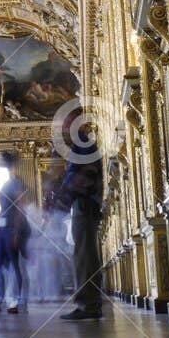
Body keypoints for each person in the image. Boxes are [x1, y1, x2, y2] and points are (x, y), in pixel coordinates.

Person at [47, 113, 105, 320]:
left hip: (85, 206)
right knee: (84, 254)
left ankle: (87, 305)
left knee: (83, 256)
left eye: (63, 125)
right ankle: (90, 303)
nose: (61, 130)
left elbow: (81, 178)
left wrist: (62, 202)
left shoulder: (83, 145)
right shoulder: (82, 146)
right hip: (85, 205)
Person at [0, 152, 30, 313]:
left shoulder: (16, 183)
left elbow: (20, 208)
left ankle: (13, 302)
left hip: (11, 229)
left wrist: (17, 231)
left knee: (12, 265)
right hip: (2, 228)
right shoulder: (7, 183)